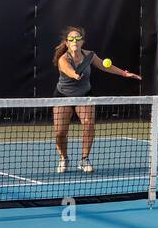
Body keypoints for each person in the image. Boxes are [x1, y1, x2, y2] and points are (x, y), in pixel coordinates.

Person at [52, 26, 141, 173]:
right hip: (63, 96)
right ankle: (63, 158)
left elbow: (105, 66)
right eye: (71, 39)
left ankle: (84, 159)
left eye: (77, 38)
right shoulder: (63, 59)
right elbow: (67, 69)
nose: (74, 40)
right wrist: (74, 75)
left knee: (88, 124)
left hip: (84, 95)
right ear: (67, 43)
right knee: (60, 132)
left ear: (82, 42)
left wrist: (125, 74)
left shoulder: (90, 56)